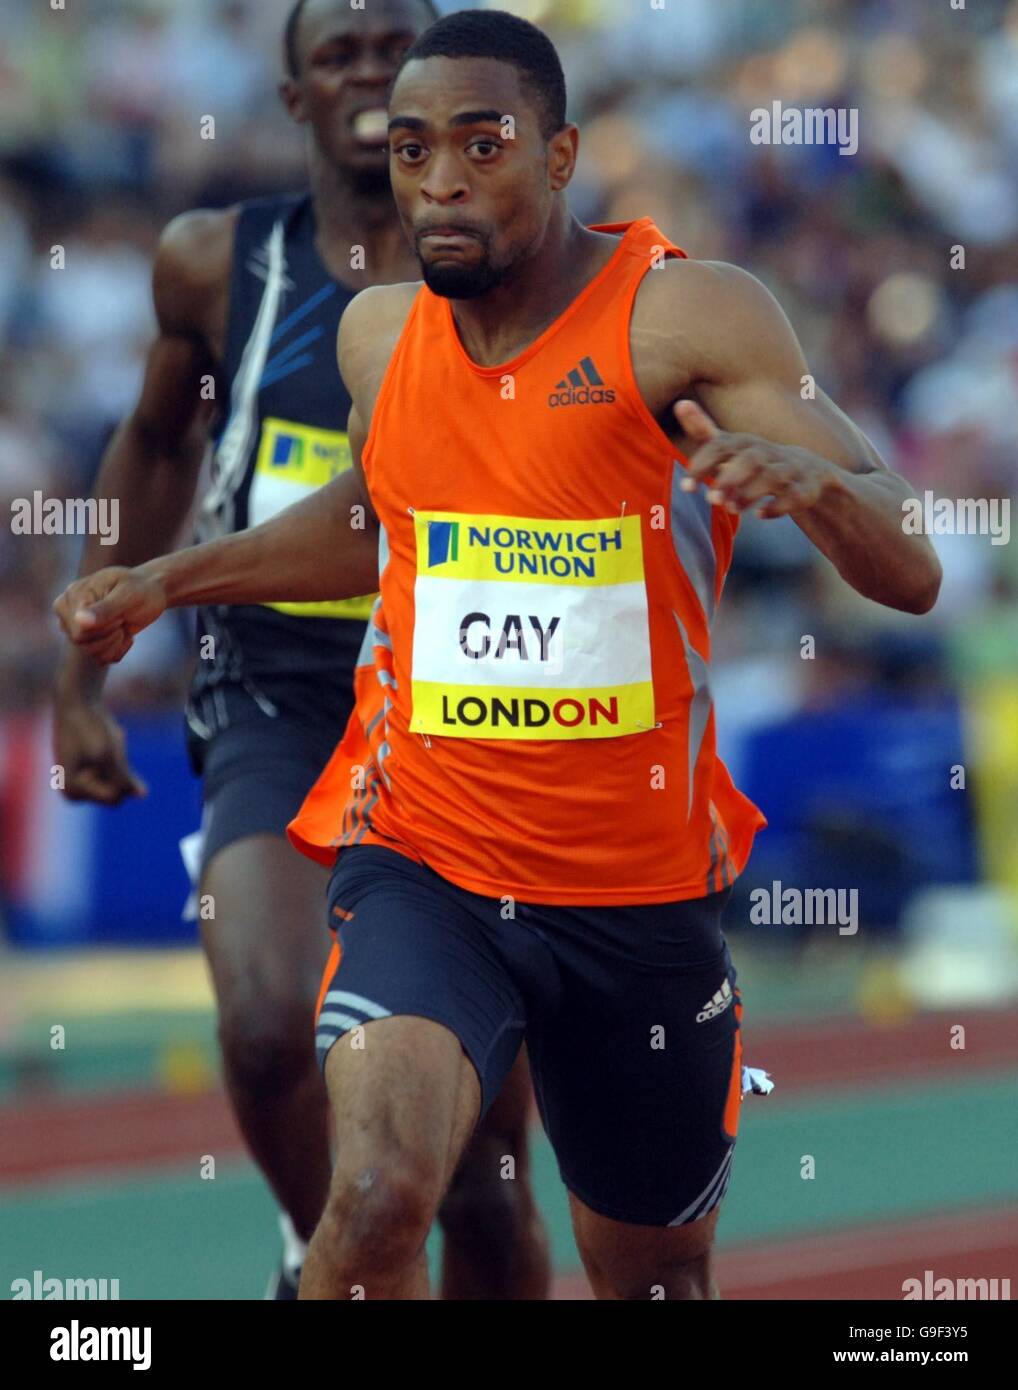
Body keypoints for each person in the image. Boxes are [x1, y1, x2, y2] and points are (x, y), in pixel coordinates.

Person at [54, 8, 942, 1299]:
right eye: (414, 151)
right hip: (428, 860)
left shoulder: (686, 314)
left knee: (653, 1275)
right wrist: (166, 580)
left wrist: (819, 490)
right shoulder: (378, 335)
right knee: (374, 1195)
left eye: (483, 145)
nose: (441, 181)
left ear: (560, 152)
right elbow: (376, 521)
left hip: (633, 890)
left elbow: (911, 569)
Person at [51, 0, 548, 1301]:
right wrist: (83, 678)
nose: (370, 71)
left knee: (486, 1176)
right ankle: (324, 1235)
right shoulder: (217, 263)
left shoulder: (504, 266)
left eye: (393, 48)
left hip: (458, 704)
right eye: (338, 54)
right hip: (271, 686)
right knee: (270, 1019)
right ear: (294, 98)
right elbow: (155, 445)